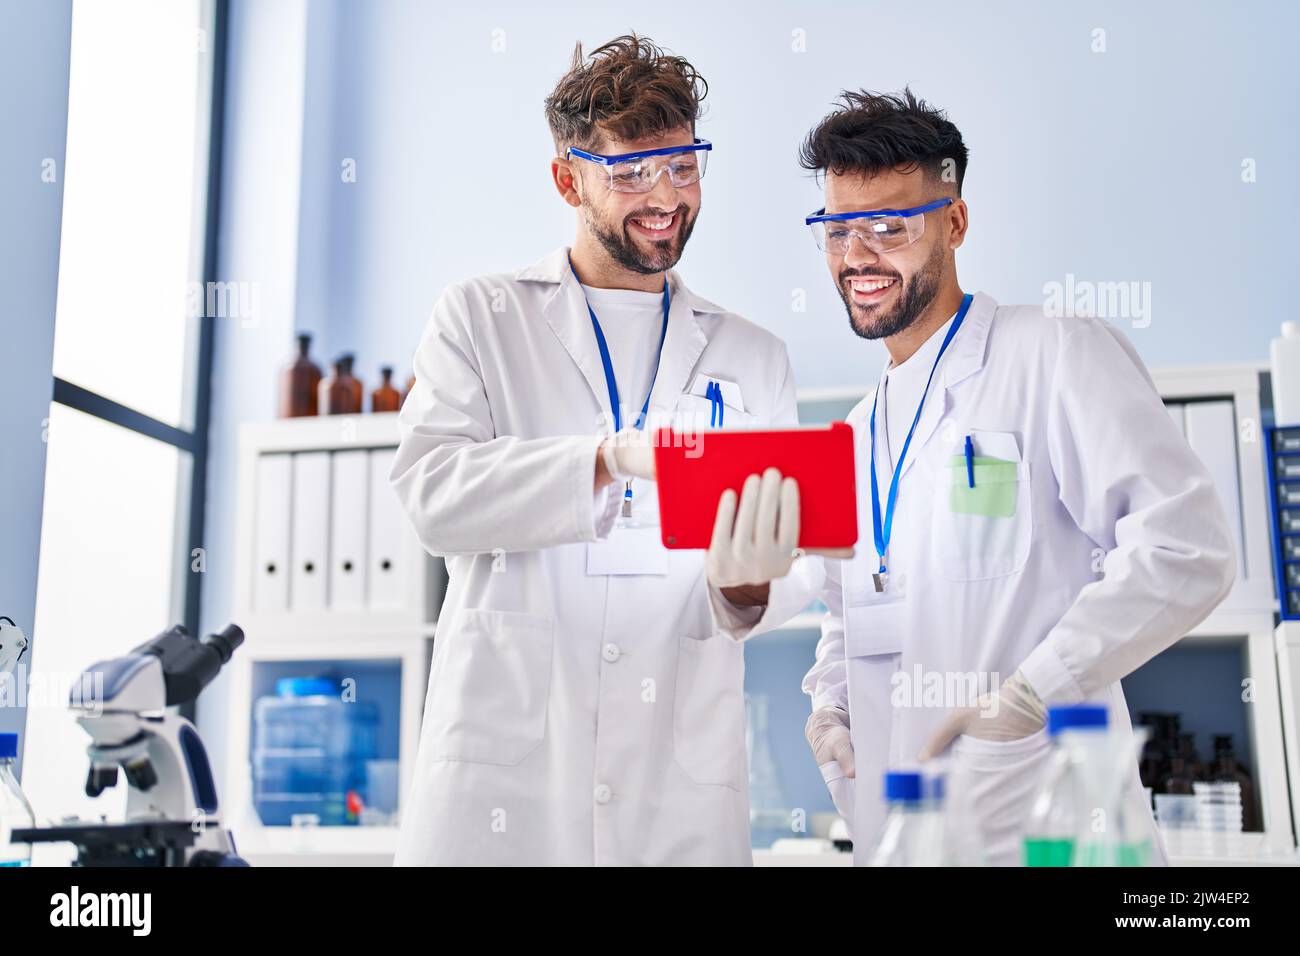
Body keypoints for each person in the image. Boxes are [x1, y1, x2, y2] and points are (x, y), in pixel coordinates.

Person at [704, 89, 1235, 864]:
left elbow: (1187, 549)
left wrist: (1036, 689)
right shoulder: (853, 435)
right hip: (902, 836)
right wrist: (831, 708)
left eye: (890, 227)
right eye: (837, 229)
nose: (858, 256)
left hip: (1045, 830)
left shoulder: (1052, 354)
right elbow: (856, 611)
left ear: (953, 222)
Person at [390, 35, 798, 866]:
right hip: (506, 791)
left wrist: (749, 587)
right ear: (567, 179)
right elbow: (432, 496)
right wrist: (606, 460)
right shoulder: (481, 316)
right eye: (631, 174)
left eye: (684, 167)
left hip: (678, 786)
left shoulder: (754, 357)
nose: (666, 197)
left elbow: (791, 583)